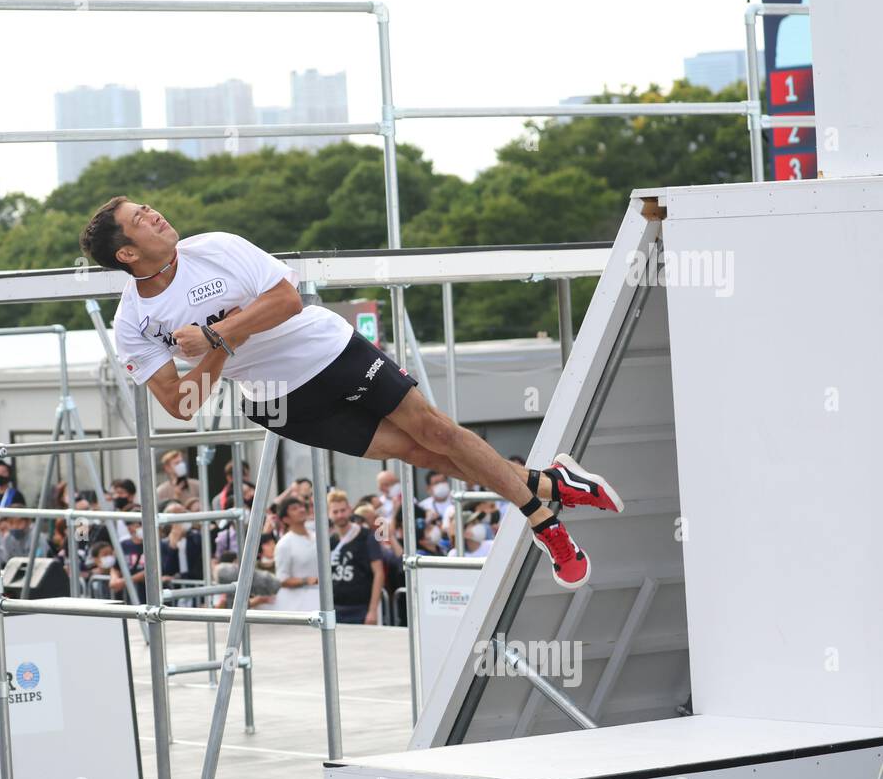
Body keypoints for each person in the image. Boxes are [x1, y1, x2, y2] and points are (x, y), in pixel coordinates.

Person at [82, 198, 625, 589]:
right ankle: (552, 483)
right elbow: (180, 404)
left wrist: (219, 333)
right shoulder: (133, 321)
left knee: (434, 431)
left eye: (148, 208)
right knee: (415, 453)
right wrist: (217, 348)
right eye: (140, 220)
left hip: (330, 350)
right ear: (128, 254)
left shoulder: (216, 248)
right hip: (278, 401)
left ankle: (541, 519)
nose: (155, 215)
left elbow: (287, 300)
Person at [325, 490, 384, 625]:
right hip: (335, 608)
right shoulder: (329, 541)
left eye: (343, 510)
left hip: (361, 608)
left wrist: (373, 610)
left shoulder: (367, 536)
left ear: (350, 509)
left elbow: (379, 573)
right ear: (328, 514)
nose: (340, 515)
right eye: (335, 512)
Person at [272, 496, 319, 614]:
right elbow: (281, 579)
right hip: (298, 606)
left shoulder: (317, 536)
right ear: (286, 519)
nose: (301, 510)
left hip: (320, 599)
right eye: (294, 508)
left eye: (302, 507)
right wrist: (305, 580)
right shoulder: (284, 544)